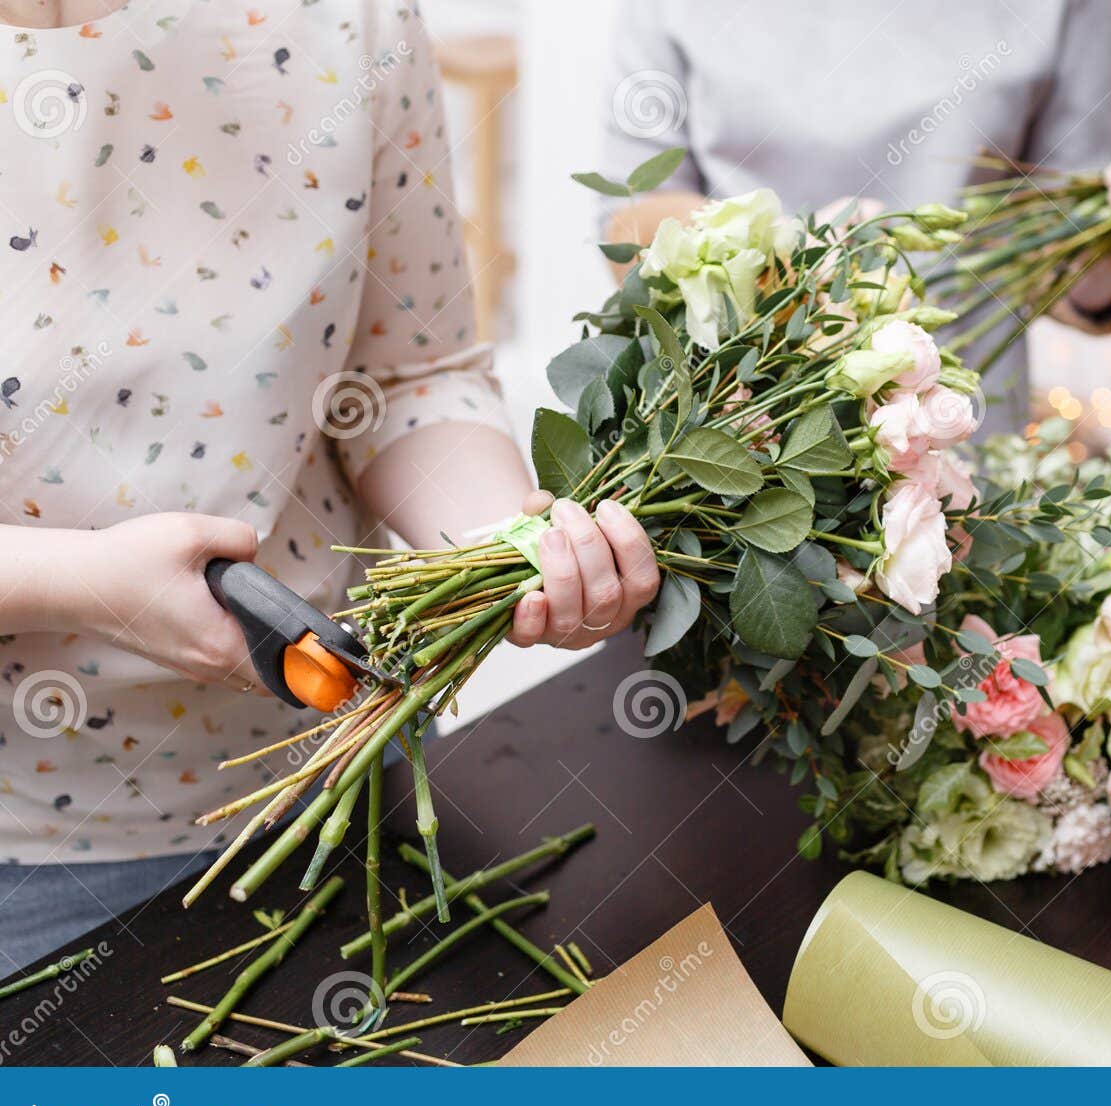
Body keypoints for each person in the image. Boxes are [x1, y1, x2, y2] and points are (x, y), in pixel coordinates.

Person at [0, 0, 659, 969]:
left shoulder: (346, 22)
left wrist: (499, 554)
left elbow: (408, 377)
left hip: (345, 781)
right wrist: (89, 583)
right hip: (28, 861)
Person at [599, 0, 1111, 432]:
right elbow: (629, 225)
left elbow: (1060, 256)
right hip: (730, 411)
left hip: (948, 434)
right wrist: (801, 271)